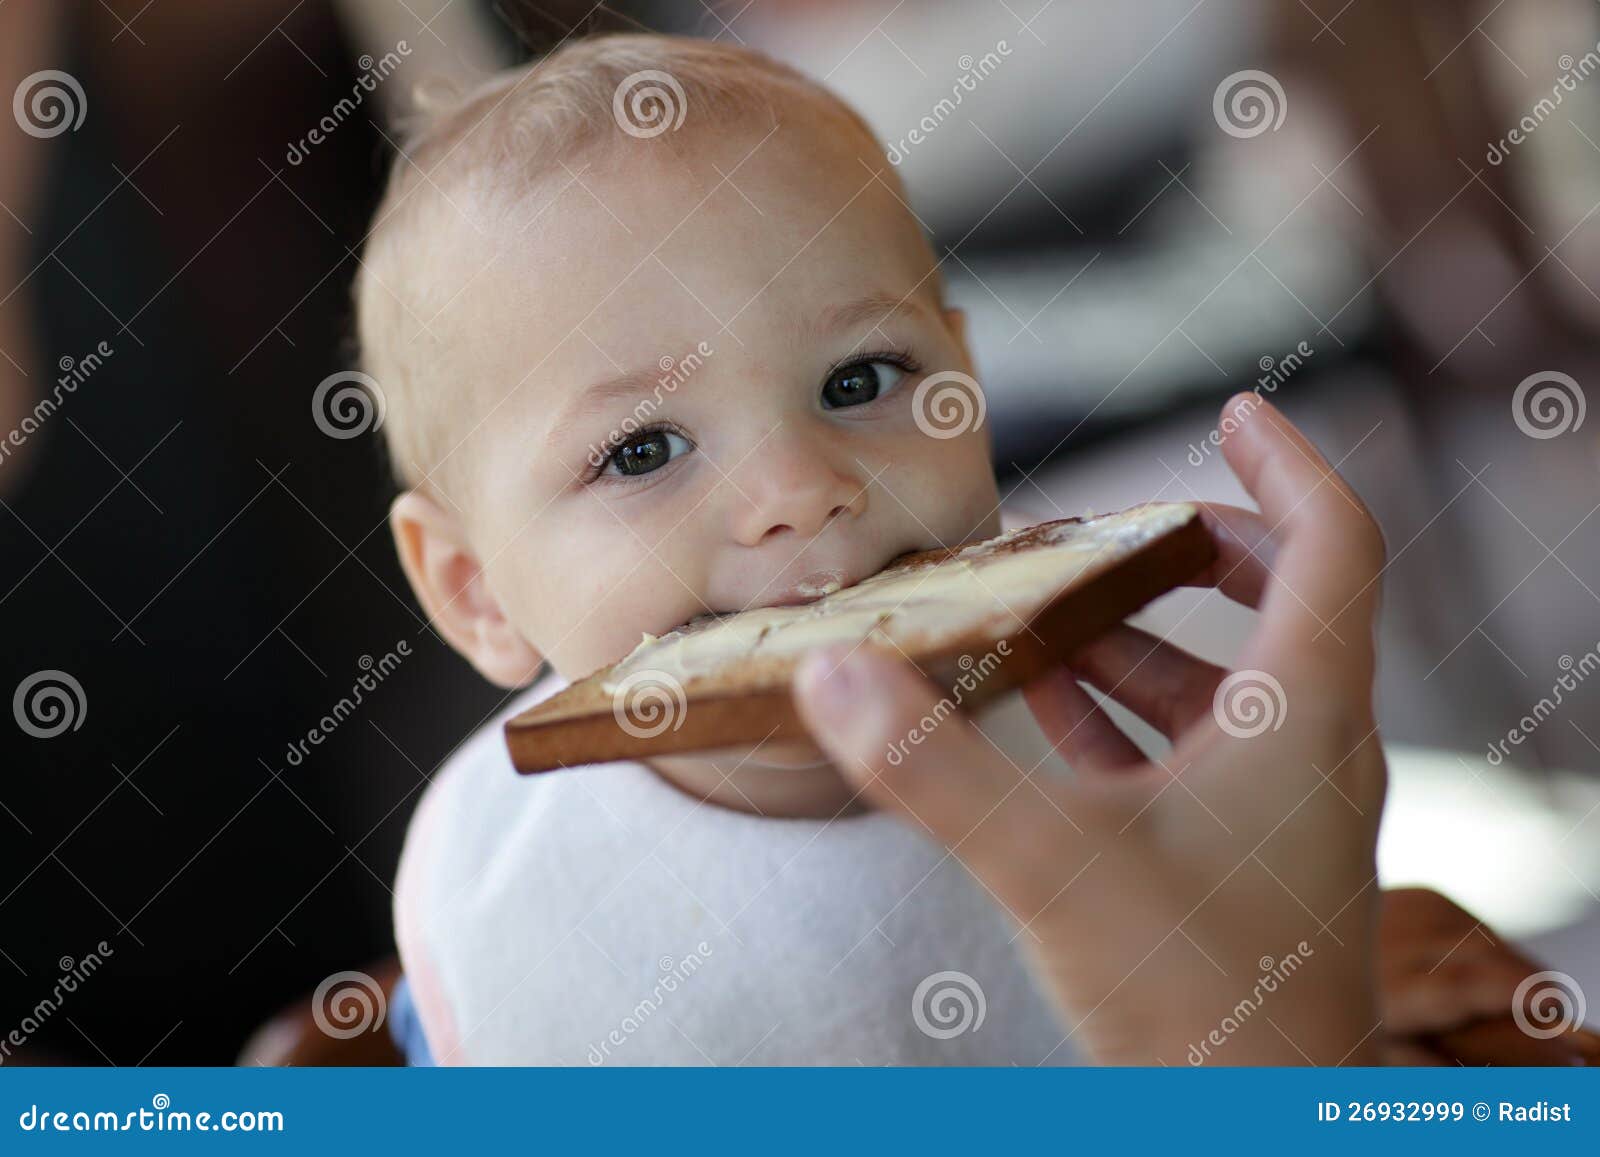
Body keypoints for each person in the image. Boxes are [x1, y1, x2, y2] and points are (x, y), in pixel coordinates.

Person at [361, 32, 1573, 1066]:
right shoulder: (514, 901)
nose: (800, 491)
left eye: (859, 379)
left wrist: (1333, 1009)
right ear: (474, 590)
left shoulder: (1113, 736)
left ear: (966, 384)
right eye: (640, 450)